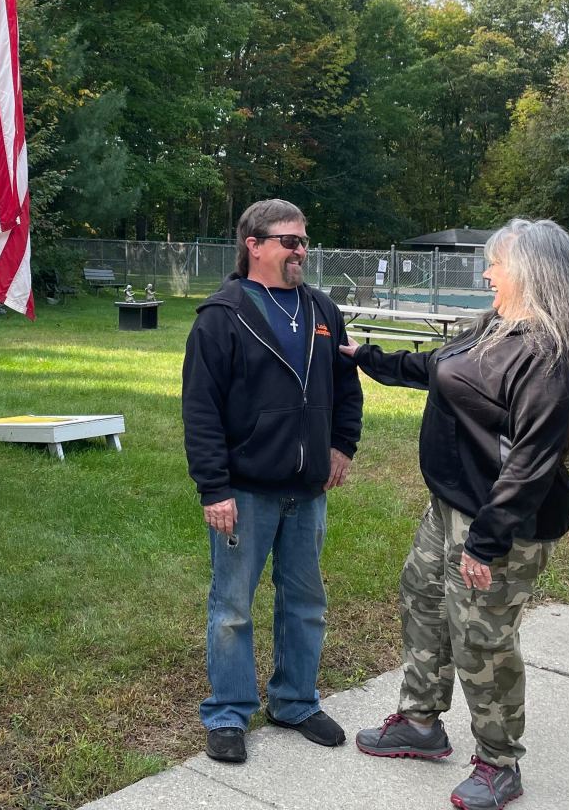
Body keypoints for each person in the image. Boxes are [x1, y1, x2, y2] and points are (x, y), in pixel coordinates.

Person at [341, 218, 569, 810]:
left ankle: (499, 762)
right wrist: (366, 357)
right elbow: (439, 368)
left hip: (498, 522)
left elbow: (532, 462)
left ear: (532, 273)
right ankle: (420, 723)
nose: (486, 273)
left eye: (496, 265)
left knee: (482, 637)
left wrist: (486, 543)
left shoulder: (546, 355)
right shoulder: (495, 328)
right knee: (424, 599)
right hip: (451, 504)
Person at [182, 199, 364, 764]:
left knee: (306, 601)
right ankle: (229, 712)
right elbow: (201, 410)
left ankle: (294, 701)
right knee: (233, 606)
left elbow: (345, 386)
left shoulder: (320, 309)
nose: (301, 250)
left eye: (304, 240)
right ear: (253, 244)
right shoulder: (223, 314)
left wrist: (341, 445)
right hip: (247, 490)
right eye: (289, 241)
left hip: (307, 491)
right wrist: (214, 489)